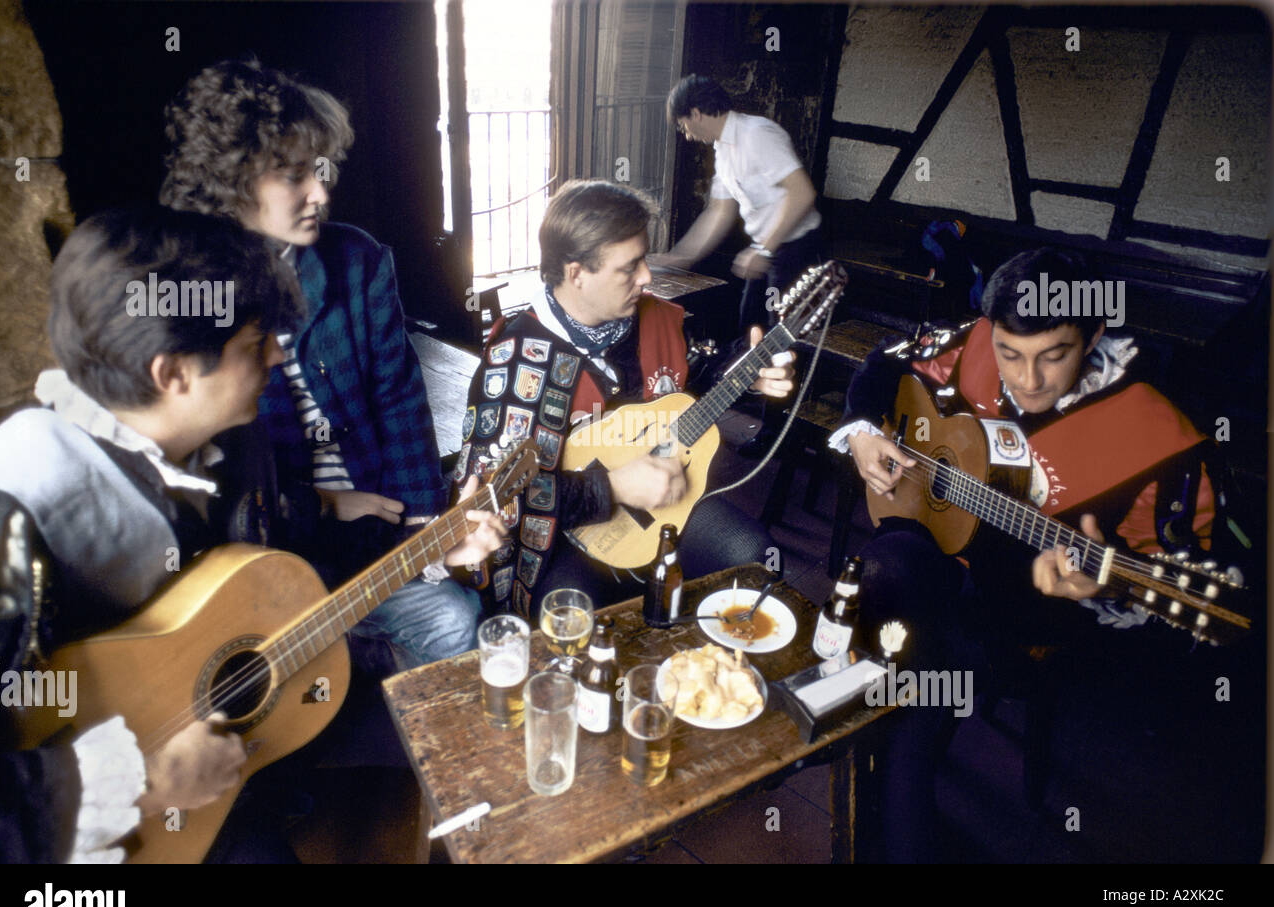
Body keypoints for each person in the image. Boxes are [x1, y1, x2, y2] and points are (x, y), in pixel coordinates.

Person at [0, 206, 505, 862]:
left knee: (468, 734)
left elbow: (293, 562)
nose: (280, 354)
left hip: (243, 748)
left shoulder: (236, 436)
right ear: (173, 375)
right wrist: (144, 779)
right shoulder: (7, 497)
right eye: (257, 344)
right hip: (101, 841)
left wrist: (435, 551)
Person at [828, 247, 1219, 861]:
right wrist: (862, 432)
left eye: (1053, 356)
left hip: (1017, 615)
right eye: (1010, 354)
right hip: (932, 547)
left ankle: (884, 810)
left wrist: (1106, 590)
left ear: (1093, 335)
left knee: (919, 667)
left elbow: (1183, 628)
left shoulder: (1157, 439)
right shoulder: (976, 337)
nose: (1026, 379)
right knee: (884, 579)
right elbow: (884, 362)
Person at [160, 59, 481, 671]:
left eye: (321, 171)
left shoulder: (357, 260)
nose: (321, 194)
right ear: (231, 181)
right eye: (294, 176)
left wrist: (422, 534)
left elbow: (400, 401)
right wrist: (325, 503)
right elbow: (209, 473)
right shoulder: (188, 292)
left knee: (455, 618)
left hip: (370, 532)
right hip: (261, 551)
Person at [458, 180, 796, 618]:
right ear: (576, 273)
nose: (647, 277)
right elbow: (491, 502)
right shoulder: (513, 364)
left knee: (754, 556)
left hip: (664, 512)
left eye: (645, 259)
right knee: (567, 617)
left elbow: (696, 384)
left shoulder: (658, 319)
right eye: (630, 267)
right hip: (565, 539)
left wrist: (749, 375)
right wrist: (613, 487)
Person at [654, 75, 823, 341]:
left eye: (682, 126)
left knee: (779, 338)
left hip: (796, 249)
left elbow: (802, 193)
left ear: (696, 114)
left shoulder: (757, 134)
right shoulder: (723, 149)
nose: (686, 135)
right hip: (766, 248)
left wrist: (764, 249)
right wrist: (678, 258)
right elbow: (719, 211)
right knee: (748, 328)